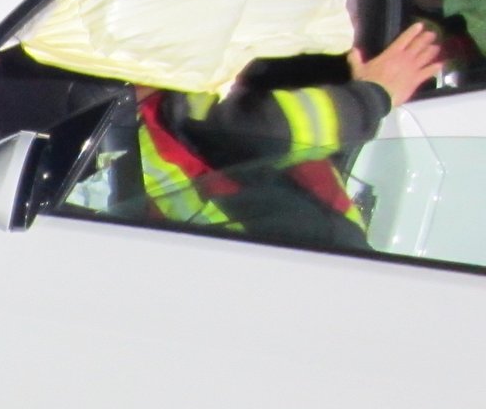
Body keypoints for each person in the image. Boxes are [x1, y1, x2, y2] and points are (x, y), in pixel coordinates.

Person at [127, 23, 445, 247]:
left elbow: (259, 131)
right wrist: (372, 95)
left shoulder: (135, 121)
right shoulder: (173, 111)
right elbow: (265, 134)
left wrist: (373, 95)